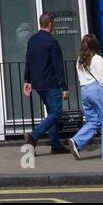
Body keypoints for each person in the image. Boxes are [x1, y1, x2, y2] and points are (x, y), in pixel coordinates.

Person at [22, 12, 71, 155]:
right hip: (51, 82)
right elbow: (58, 65)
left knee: (51, 112)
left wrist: (27, 80)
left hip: (38, 83)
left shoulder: (32, 40)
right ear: (50, 24)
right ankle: (33, 136)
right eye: (53, 23)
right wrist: (64, 87)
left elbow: (28, 61)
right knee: (56, 113)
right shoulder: (52, 42)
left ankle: (55, 144)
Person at [67, 34, 103, 162]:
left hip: (84, 91)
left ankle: (77, 141)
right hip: (96, 90)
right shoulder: (97, 59)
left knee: (93, 121)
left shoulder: (79, 60)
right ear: (95, 44)